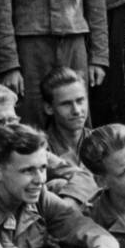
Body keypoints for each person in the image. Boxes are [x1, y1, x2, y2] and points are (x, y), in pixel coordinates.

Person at [37, 66, 100, 208]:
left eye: (80, 101)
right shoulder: (38, 149)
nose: (77, 111)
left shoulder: (102, 142)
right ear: (49, 108)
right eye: (66, 104)